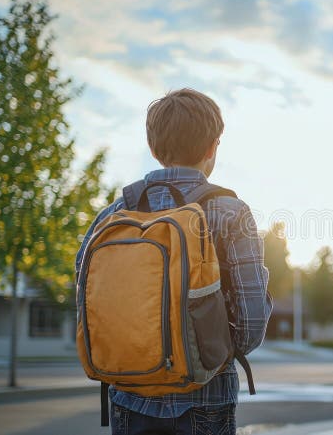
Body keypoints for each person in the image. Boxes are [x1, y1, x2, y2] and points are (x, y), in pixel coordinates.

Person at [75, 88, 272, 435]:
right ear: (213, 147)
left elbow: (85, 297)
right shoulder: (231, 213)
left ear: (153, 149)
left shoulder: (112, 216)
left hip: (127, 395)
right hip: (206, 396)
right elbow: (251, 326)